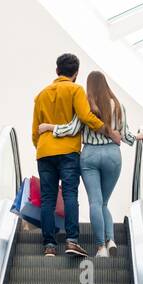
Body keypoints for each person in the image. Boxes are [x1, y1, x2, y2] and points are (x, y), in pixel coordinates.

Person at [40, 70, 143, 258]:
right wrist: (137, 137)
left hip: (90, 155)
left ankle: (101, 248)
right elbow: (124, 134)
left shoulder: (86, 105)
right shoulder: (118, 106)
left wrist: (50, 127)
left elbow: (72, 128)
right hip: (112, 155)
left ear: (90, 87)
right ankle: (111, 240)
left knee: (95, 202)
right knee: (104, 202)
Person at [30, 53, 106, 257]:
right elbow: (85, 116)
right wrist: (106, 129)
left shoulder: (41, 95)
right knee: (70, 194)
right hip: (68, 152)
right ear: (76, 73)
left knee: (48, 198)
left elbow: (35, 132)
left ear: (57, 71)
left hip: (44, 151)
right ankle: (72, 241)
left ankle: (49, 246)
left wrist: (43, 146)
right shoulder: (75, 90)